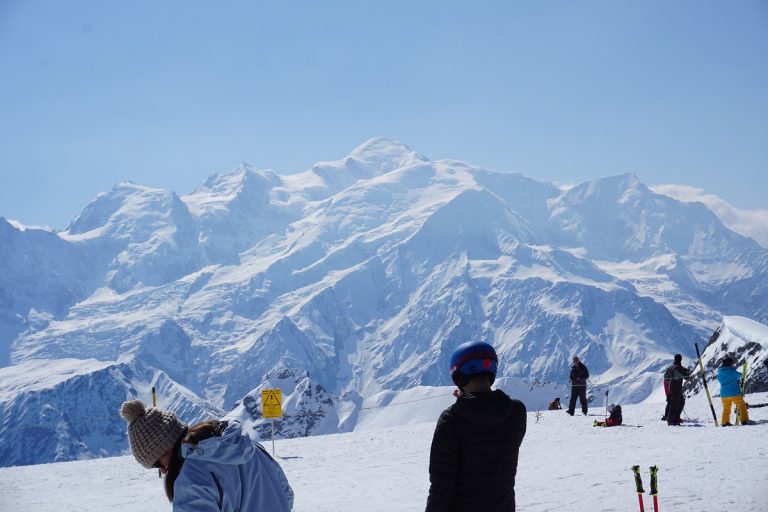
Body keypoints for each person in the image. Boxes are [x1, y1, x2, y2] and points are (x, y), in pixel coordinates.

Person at [119, 399, 294, 511]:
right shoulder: (249, 445)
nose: (163, 471)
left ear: (165, 448)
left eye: (157, 464)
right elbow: (286, 494)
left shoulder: (191, 478)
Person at [425, 341, 526, 511]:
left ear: (458, 375)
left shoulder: (451, 420)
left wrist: (464, 404)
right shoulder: (516, 412)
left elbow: (441, 487)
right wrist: (468, 403)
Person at [716, 357, 753, 426]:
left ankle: (725, 422)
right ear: (729, 364)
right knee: (741, 406)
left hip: (723, 394)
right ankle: (744, 420)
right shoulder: (732, 371)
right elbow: (741, 376)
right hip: (734, 393)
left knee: (726, 409)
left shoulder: (719, 373)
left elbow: (719, 378)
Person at [664, 354, 691, 426]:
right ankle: (671, 420)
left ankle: (675, 417)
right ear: (680, 360)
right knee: (675, 403)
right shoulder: (678, 368)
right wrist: (687, 371)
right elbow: (686, 377)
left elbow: (666, 378)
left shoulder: (670, 367)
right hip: (676, 387)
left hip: (670, 387)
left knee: (681, 401)